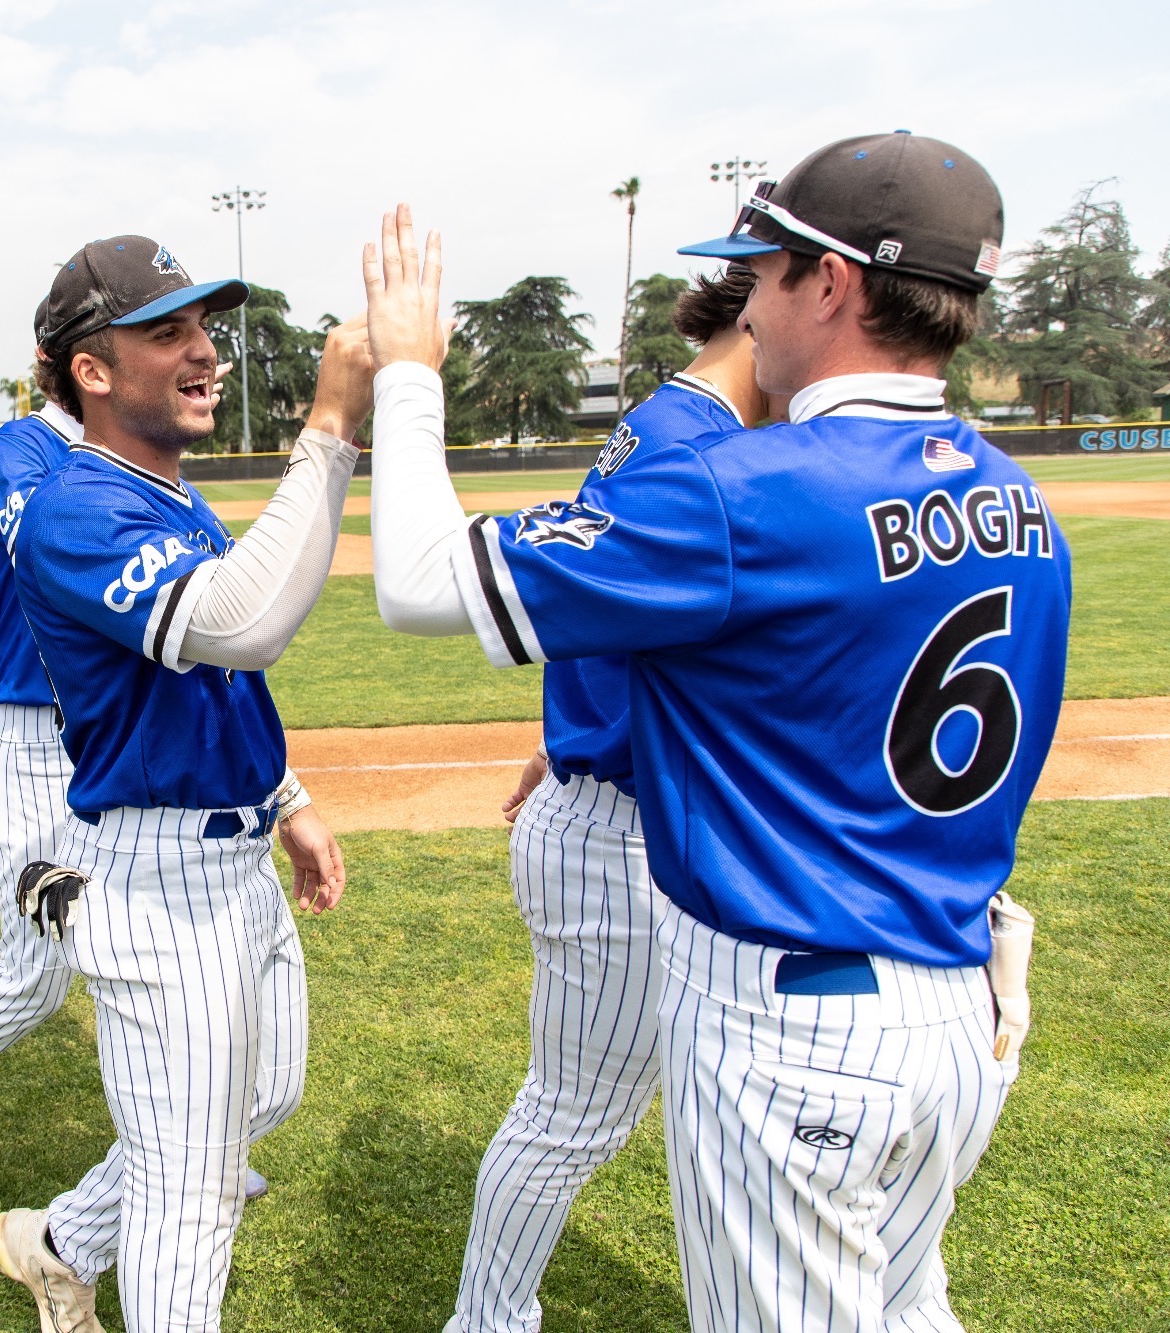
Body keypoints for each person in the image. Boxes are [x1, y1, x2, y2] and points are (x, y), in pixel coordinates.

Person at [367, 132, 1066, 1332]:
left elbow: (421, 581)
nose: (750, 303)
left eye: (769, 272)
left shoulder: (750, 487)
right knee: (909, 1308)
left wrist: (404, 374)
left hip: (801, 1025)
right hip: (958, 1006)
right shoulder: (1018, 497)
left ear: (830, 283)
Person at [0, 236, 367, 1333]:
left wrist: (287, 799)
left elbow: (217, 682)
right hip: (157, 880)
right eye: (168, 332)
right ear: (91, 371)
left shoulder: (165, 495)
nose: (206, 351)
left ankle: (61, 1242)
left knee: (261, 1096)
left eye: (204, 327)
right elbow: (242, 626)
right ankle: (83, 1251)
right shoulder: (74, 506)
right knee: (189, 1196)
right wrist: (330, 426)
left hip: (231, 855)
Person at [437, 266, 769, 1333]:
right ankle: (485, 1322)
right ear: (765, 312)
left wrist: (569, 732)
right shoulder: (695, 445)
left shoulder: (667, 424)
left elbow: (632, 629)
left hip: (623, 805)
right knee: (574, 1114)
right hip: (624, 832)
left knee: (686, 1110)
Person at [0, 315, 241, 1202]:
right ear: (73, 364)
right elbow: (61, 557)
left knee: (166, 933)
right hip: (35, 740)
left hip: (124, 731)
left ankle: (193, 1137)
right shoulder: (22, 449)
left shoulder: (155, 466)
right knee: (37, 973)